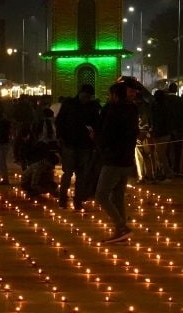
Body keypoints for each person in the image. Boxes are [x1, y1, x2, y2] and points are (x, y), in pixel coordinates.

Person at [97, 81, 139, 244]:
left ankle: (121, 227)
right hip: (127, 158)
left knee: (101, 195)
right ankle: (120, 232)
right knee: (118, 195)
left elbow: (107, 135)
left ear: (115, 95)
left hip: (113, 159)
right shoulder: (132, 109)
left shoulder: (113, 111)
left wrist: (96, 139)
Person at [55, 84, 101, 210]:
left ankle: (78, 200)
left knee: (82, 174)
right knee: (68, 173)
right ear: (80, 93)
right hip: (69, 143)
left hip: (85, 145)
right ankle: (63, 199)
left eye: (88, 97)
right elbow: (60, 121)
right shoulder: (69, 104)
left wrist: (93, 136)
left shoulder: (92, 107)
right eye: (85, 96)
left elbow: (97, 124)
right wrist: (60, 137)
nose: (86, 99)